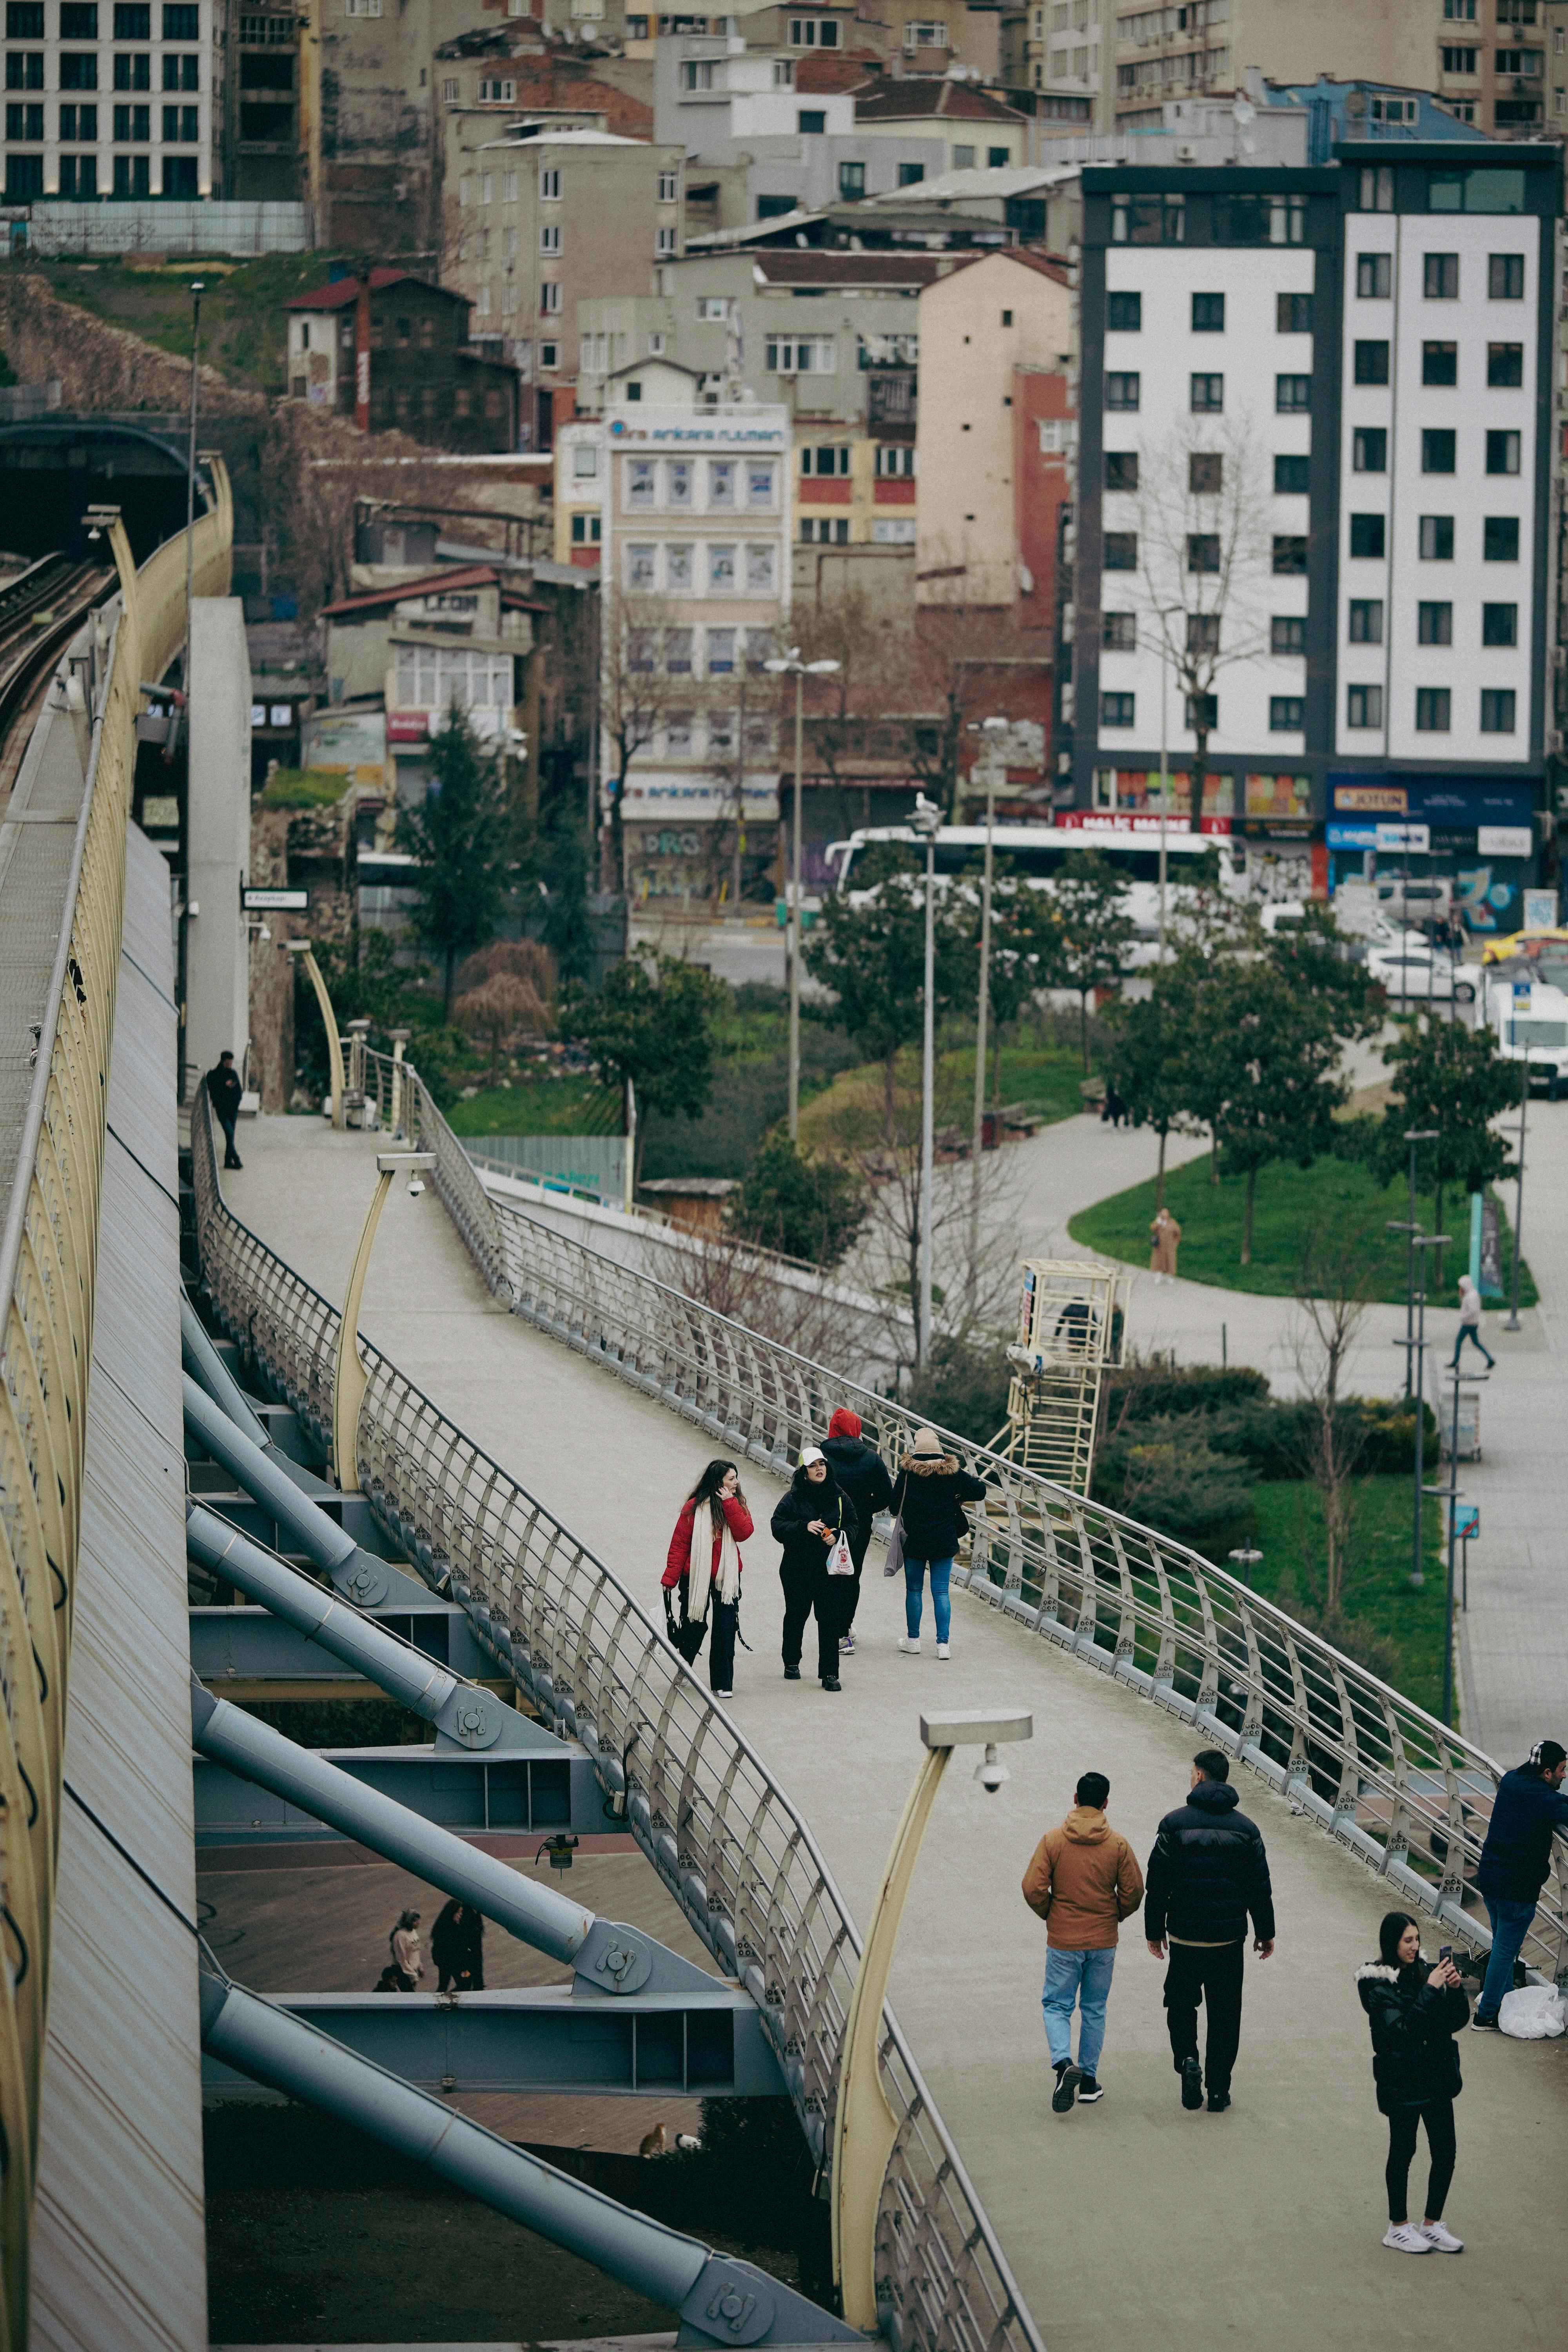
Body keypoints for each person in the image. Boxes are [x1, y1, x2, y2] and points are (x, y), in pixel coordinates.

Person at [1144, 1748, 1275, 2113]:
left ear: (1200, 1777)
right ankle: (1218, 2090)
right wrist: (1265, 1931)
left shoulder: (1173, 1824)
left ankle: (1187, 2059)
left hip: (1184, 1936)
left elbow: (1157, 1885)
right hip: (1228, 1940)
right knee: (1225, 2013)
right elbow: (1258, 1888)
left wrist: (1154, 1931)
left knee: (1181, 2003)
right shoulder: (1247, 1830)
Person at [1021, 1770, 1145, 2115]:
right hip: (1103, 1940)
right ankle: (1089, 2081)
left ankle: (1063, 2065)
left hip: (1063, 1940)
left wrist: (1052, 1914)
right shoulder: (1118, 1844)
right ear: (1106, 1803)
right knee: (1094, 2009)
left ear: (1074, 1799)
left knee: (1057, 2006)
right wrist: (1115, 1915)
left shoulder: (1053, 1841)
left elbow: (1032, 1888)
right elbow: (1135, 1892)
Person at [1356, 1911, 1468, 2254]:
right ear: (1392, 1943)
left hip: (1435, 2075)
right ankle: (1398, 2226)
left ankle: (1432, 2224)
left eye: (1417, 1939)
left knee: (1446, 2152)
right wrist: (1432, 1991)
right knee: (1404, 2150)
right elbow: (1402, 2033)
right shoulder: (1377, 1986)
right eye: (1408, 1940)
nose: (1415, 1946)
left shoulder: (1423, 1973)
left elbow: (1456, 2021)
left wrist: (1454, 1990)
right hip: (1402, 2078)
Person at [1470, 1738, 1568, 2030]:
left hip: (1490, 1878)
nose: (1565, 1776)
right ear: (1547, 1773)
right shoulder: (1546, 1799)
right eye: (1562, 1770)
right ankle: (1486, 2015)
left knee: (1503, 1944)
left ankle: (1501, 2000)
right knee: (1504, 1949)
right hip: (1517, 1889)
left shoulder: (1511, 1781)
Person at [889, 1427, 988, 1661]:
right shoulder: (951, 1472)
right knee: (941, 1592)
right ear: (939, 1448)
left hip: (915, 1540)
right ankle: (943, 1645)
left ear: (916, 1448)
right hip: (944, 1540)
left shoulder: (908, 1472)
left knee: (914, 1589)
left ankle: (913, 1641)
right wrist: (956, 1496)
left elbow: (894, 1507)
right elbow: (980, 1491)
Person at [662, 1458, 753, 1698]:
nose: (736, 1483)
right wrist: (670, 1578)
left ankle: (723, 1683)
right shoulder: (694, 1507)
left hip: (727, 1578)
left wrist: (730, 1504)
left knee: (725, 1629)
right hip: (695, 1576)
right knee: (693, 1625)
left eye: (736, 1478)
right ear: (718, 1481)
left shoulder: (737, 1503)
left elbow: (744, 1533)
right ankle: (685, 1668)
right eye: (731, 1479)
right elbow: (680, 1544)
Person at [771, 1446, 856, 1692]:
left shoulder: (840, 1497)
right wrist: (803, 1527)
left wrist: (839, 1535)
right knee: (797, 1615)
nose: (819, 1469)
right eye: (813, 1466)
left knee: (829, 1620)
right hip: (796, 1568)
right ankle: (791, 1662)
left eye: (822, 1464)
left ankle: (829, 1673)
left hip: (829, 1571)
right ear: (804, 1471)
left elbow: (854, 1525)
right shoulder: (793, 1497)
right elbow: (777, 1526)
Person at [821, 1406, 893, 1658]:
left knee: (827, 1575)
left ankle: (828, 1629)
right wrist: (866, 1509)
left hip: (825, 1527)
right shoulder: (871, 1458)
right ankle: (843, 1631)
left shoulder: (820, 1456)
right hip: (858, 1526)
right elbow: (887, 1495)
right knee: (851, 1574)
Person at [431, 1898, 485, 1993]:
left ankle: (439, 2000)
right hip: (454, 1965)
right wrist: (464, 1968)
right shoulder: (451, 1930)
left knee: (444, 1986)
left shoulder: (446, 1926)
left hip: (448, 1964)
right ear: (453, 1913)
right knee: (464, 1985)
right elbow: (458, 1950)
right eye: (459, 1912)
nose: (461, 1914)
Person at [206, 1049, 245, 1171]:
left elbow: (238, 1090)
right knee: (229, 1133)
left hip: (233, 1109)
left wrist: (236, 1102)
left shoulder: (233, 1074)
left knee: (230, 1135)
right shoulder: (214, 1075)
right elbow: (214, 1091)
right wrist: (225, 1086)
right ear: (224, 1061)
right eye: (229, 1062)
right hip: (222, 1110)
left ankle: (228, 1162)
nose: (230, 1065)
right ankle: (236, 1159)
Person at [1450, 1275, 1496, 1372]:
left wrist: (1463, 1317)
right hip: (1474, 1323)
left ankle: (1455, 1361)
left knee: (1459, 1341)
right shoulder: (1474, 1294)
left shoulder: (1470, 1297)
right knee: (1476, 1342)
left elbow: (1473, 1311)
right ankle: (1490, 1359)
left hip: (1468, 1323)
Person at [388, 1908, 423, 1991]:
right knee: (411, 1998)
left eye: (418, 1920)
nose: (418, 1922)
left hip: (411, 1971)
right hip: (402, 1972)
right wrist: (414, 1976)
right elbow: (402, 1960)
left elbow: (415, 1953)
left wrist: (420, 1968)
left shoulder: (413, 1932)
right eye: (415, 1921)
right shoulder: (400, 1936)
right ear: (409, 1922)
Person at [1149, 1205, 1181, 1284]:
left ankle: (1169, 1277)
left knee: (1170, 1262)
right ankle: (1159, 1277)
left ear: (1169, 1214)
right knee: (1159, 1262)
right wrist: (1158, 1222)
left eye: (1166, 1213)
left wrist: (1175, 1244)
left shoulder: (1173, 1223)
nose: (1165, 1215)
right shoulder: (1159, 1222)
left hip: (1170, 1247)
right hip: (1160, 1247)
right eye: (1163, 1213)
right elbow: (1153, 1228)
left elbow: (1178, 1234)